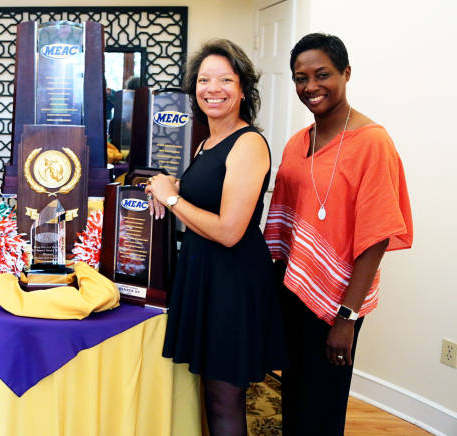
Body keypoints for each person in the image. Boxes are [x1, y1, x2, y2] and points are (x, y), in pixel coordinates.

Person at [264, 33, 413, 435]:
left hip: (338, 302)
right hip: (293, 290)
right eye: (300, 77)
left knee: (323, 406)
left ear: (346, 74)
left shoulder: (372, 143)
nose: (310, 86)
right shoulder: (299, 142)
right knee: (293, 394)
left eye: (322, 74)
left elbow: (377, 236)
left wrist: (345, 318)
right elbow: (285, 225)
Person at [146, 39, 285, 435]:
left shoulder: (249, 143)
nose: (213, 88)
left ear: (244, 89)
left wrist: (171, 197)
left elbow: (228, 230)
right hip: (205, 276)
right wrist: (174, 186)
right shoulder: (207, 141)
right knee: (209, 395)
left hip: (232, 282)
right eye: (204, 80)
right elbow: (208, 195)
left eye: (226, 79)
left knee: (225, 402)